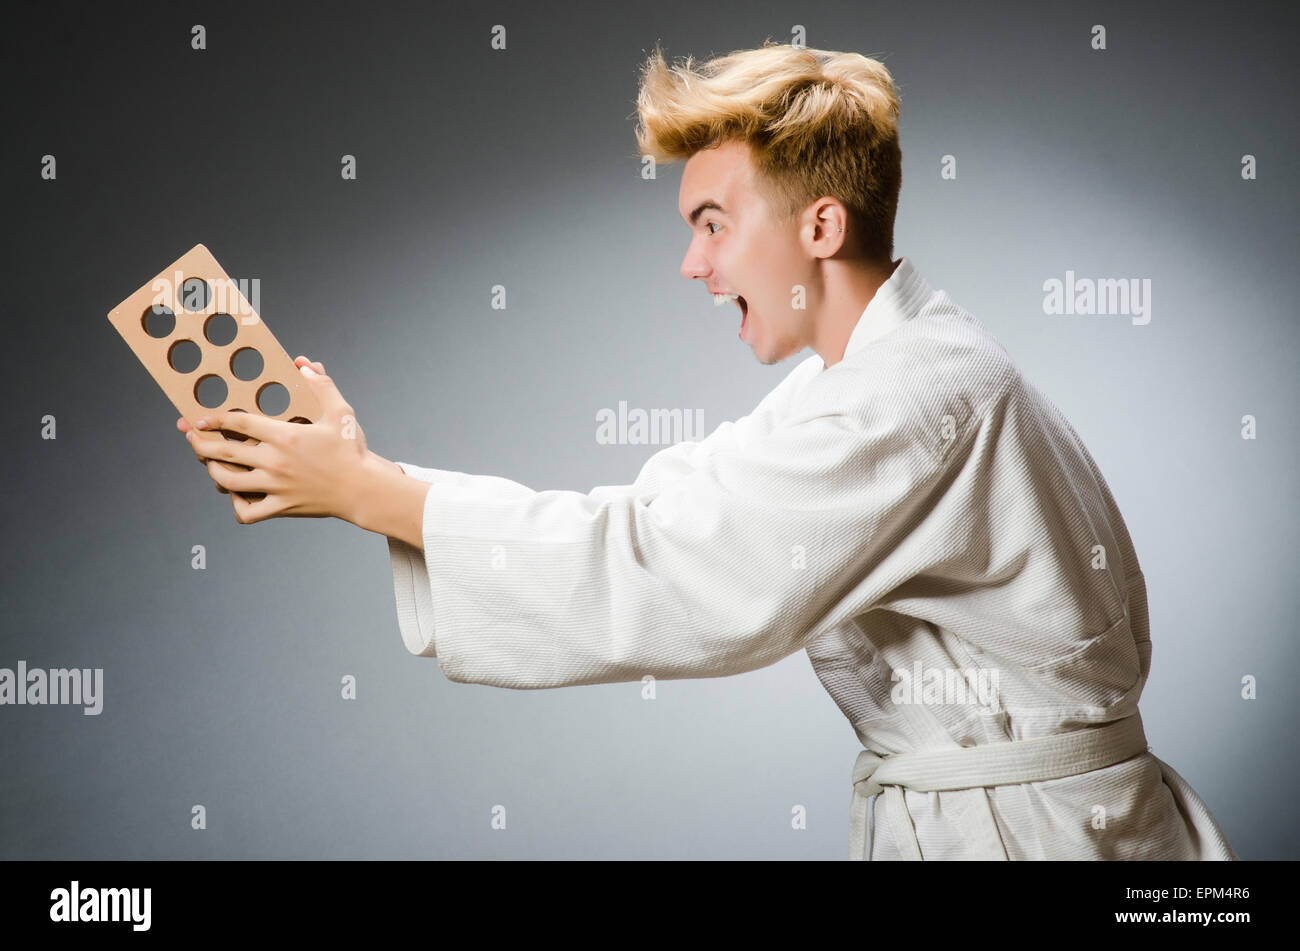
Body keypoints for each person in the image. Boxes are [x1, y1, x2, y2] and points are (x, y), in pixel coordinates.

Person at [178, 42, 1236, 860]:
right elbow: (655, 516)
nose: (691, 263)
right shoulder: (869, 377)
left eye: (713, 223)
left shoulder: (908, 401)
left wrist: (368, 496)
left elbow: (672, 574)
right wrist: (380, 479)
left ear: (819, 228)